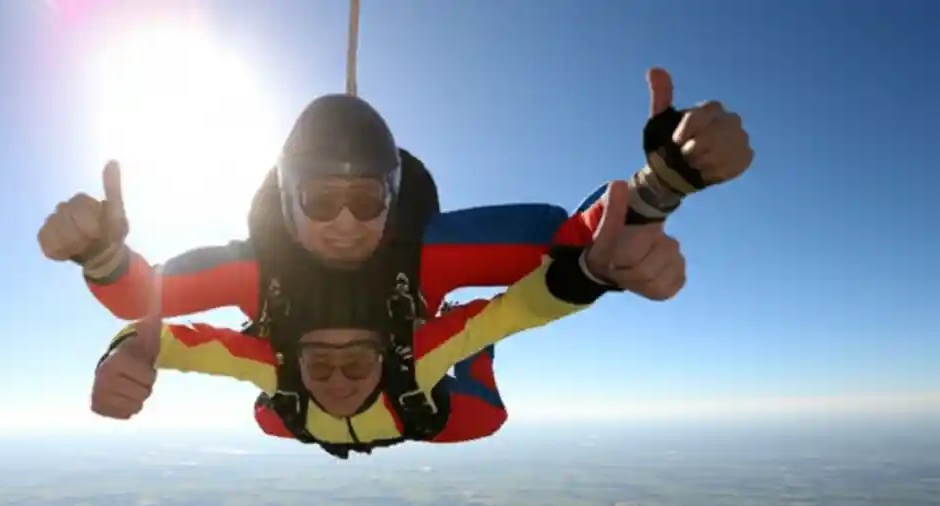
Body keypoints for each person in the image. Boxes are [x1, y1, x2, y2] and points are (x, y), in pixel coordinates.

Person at [43, 68, 752, 436]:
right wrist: (107, 274)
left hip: (431, 389)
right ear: (287, 200)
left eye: (368, 200)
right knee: (280, 405)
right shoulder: (260, 272)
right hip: (345, 384)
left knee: (465, 357)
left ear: (393, 194)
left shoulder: (427, 255)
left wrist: (659, 185)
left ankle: (438, 352)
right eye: (322, 200)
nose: (347, 222)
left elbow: (570, 242)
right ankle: (427, 349)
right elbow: (150, 307)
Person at [92, 181, 670, 458]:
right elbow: (167, 336)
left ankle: (455, 342)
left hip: (424, 398)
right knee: (272, 419)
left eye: (354, 361)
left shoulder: (411, 360)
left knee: (480, 409)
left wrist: (649, 194)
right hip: (380, 395)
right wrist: (123, 350)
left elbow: (513, 310)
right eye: (321, 363)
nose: (339, 379)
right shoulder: (278, 369)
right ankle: (450, 333)